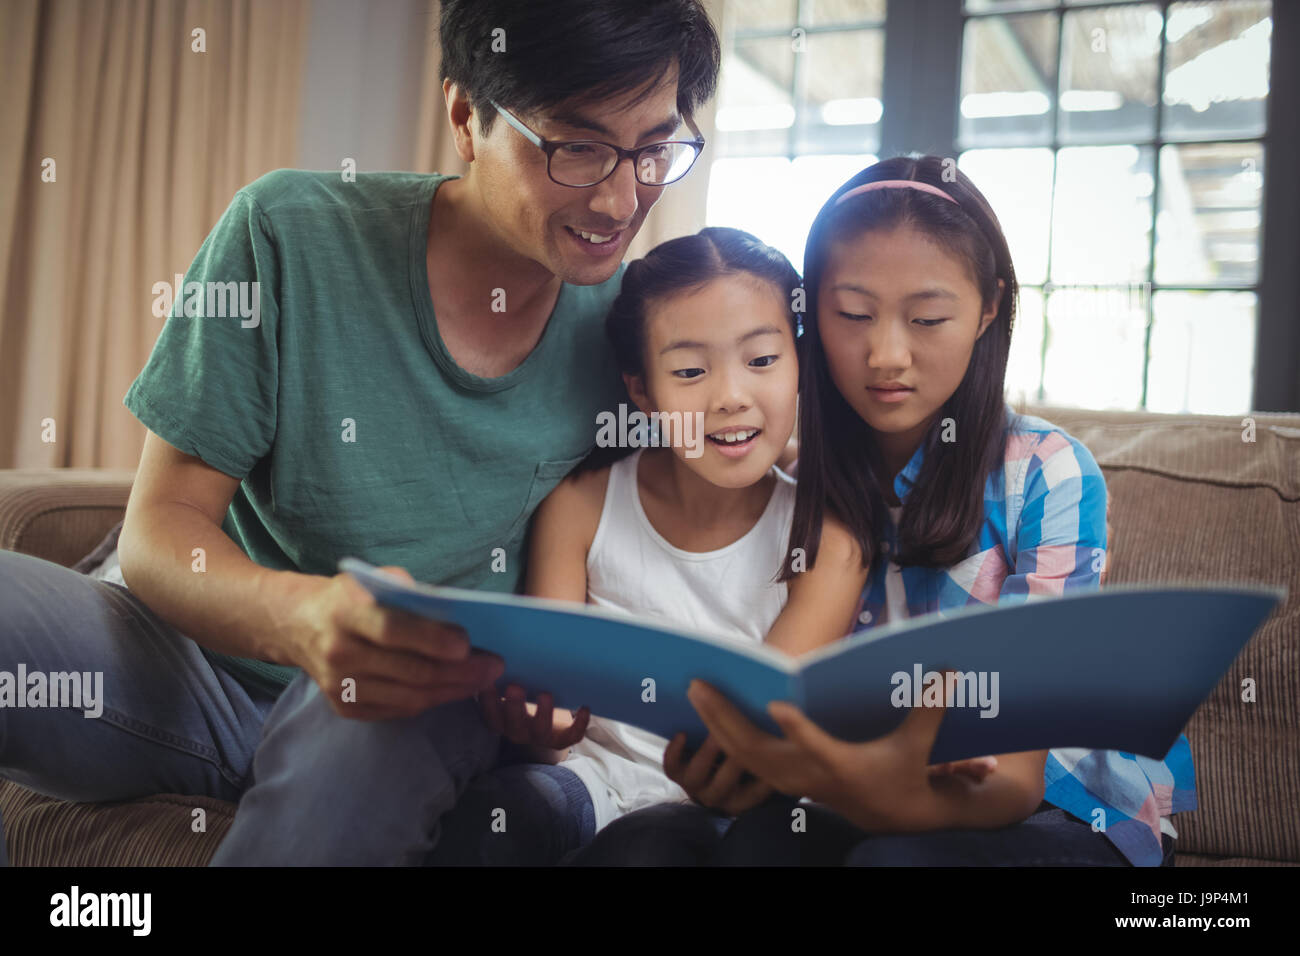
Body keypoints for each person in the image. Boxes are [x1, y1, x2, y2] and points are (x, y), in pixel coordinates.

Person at [0, 0, 721, 867]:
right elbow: (161, 535)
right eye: (575, 147)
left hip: (411, 710)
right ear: (465, 116)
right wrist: (303, 618)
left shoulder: (639, 332)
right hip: (187, 670)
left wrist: (558, 705)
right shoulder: (289, 232)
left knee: (402, 692)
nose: (620, 195)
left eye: (653, 148)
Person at [577, 155, 1192, 867]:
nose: (886, 355)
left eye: (928, 317)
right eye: (853, 315)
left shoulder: (1046, 472)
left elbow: (1013, 780)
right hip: (865, 791)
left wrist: (864, 786)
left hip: (1059, 805)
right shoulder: (803, 483)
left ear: (990, 306)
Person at [427, 228, 869, 864]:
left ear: (799, 363)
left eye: (763, 360)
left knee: (661, 848)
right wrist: (537, 726)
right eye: (690, 371)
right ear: (640, 389)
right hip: (591, 779)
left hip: (742, 806)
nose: (731, 397)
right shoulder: (582, 503)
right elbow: (548, 707)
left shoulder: (828, 537)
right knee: (496, 818)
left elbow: (763, 732)